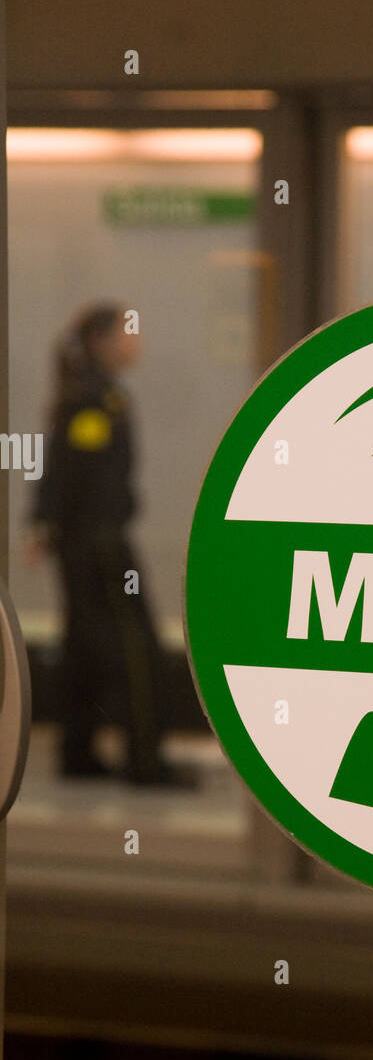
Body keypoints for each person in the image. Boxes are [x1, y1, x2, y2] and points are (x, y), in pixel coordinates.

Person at [24, 303, 192, 787]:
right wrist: (46, 522)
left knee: (83, 644)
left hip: (82, 543)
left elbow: (59, 471)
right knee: (135, 647)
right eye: (126, 333)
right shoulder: (93, 401)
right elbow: (71, 471)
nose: (134, 343)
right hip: (100, 544)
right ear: (100, 341)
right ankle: (145, 759)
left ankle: (78, 752)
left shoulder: (90, 396)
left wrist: (44, 525)